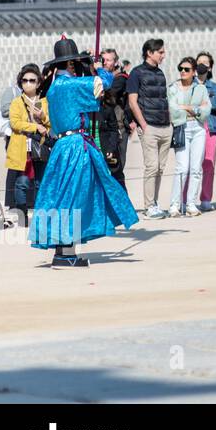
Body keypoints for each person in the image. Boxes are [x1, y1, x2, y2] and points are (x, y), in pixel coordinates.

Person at [28, 37, 138, 267]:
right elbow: (104, 84)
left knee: (63, 198)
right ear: (70, 64)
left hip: (62, 146)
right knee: (73, 198)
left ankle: (63, 251)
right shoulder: (70, 85)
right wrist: (98, 69)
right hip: (76, 146)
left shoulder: (55, 87)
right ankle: (66, 254)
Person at [125, 38, 172, 219]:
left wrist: (170, 123)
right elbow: (132, 101)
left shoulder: (160, 74)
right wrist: (143, 125)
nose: (163, 55)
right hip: (149, 126)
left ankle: (155, 203)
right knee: (152, 167)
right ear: (149, 53)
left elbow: (164, 99)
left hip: (165, 126)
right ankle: (149, 206)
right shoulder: (137, 73)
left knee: (160, 168)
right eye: (160, 52)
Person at [167, 57, 211, 217]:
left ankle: (191, 203)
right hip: (182, 128)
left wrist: (187, 108)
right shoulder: (173, 88)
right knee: (182, 167)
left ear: (193, 72)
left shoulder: (201, 88)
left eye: (187, 69)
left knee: (196, 168)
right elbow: (173, 109)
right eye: (181, 68)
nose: (183, 72)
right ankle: (175, 204)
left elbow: (207, 111)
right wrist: (196, 109)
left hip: (198, 128)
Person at [6, 64, 48, 226]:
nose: (28, 83)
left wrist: (42, 117)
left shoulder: (44, 102)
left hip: (40, 148)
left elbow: (50, 124)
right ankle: (22, 215)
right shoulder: (17, 102)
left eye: (32, 80)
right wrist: (34, 126)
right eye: (24, 80)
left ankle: (39, 215)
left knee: (40, 183)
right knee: (22, 182)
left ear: (38, 83)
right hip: (22, 148)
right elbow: (15, 123)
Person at [97, 48, 130, 196]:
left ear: (115, 62)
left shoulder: (119, 78)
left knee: (116, 167)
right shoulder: (95, 76)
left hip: (117, 128)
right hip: (99, 129)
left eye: (108, 60)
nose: (104, 63)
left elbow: (108, 87)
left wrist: (99, 72)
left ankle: (122, 202)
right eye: (102, 59)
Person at [195, 51, 216, 212]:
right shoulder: (189, 84)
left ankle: (206, 198)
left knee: (209, 164)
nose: (202, 65)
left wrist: (198, 104)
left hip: (210, 127)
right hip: (194, 126)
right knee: (192, 165)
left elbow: (215, 104)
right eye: (199, 62)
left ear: (210, 67)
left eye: (205, 62)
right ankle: (186, 198)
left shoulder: (214, 87)